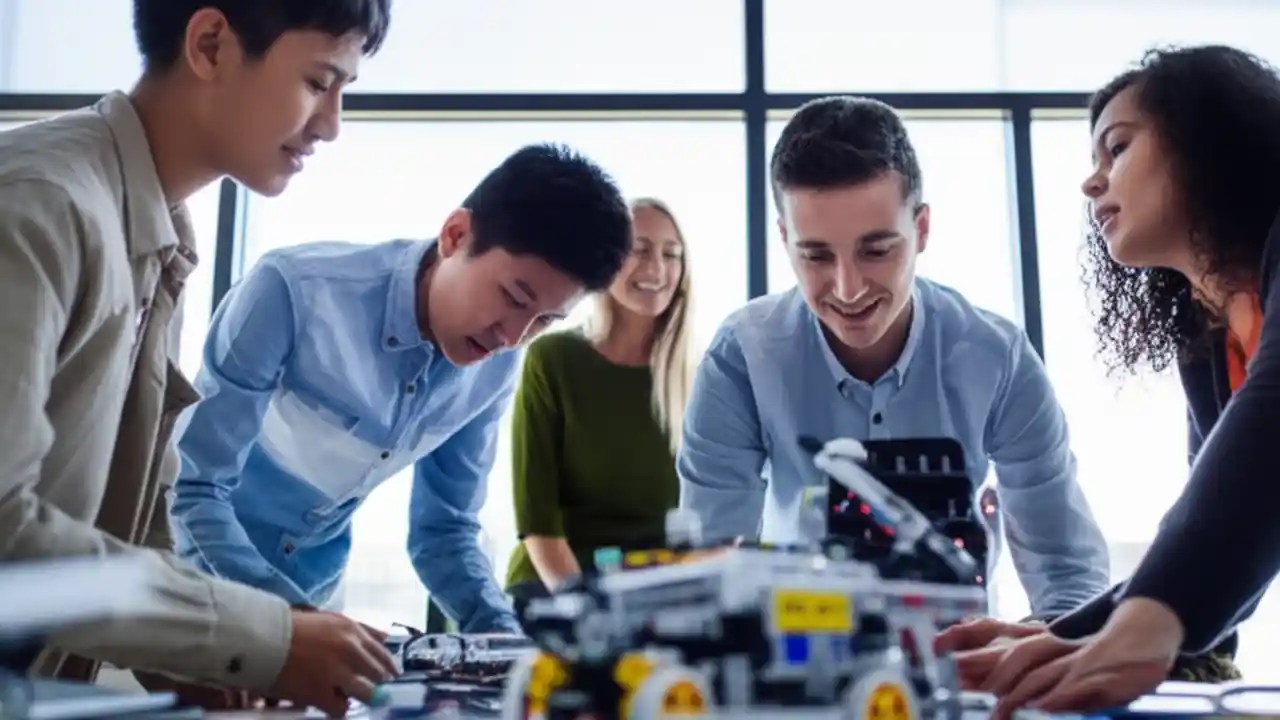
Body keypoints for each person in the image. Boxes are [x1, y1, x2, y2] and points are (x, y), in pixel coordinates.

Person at [0, 0, 399, 714]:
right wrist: (265, 638)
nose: (332, 124)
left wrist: (188, 653)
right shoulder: (41, 208)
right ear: (211, 44)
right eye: (318, 82)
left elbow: (128, 515)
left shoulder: (156, 233)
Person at [936, 44, 1280, 718]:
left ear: (1206, 140)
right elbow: (1237, 528)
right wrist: (1065, 637)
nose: (1092, 183)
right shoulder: (1213, 349)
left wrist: (1152, 618)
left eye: (1116, 149)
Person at [169, 143, 633, 635]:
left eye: (544, 321)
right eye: (514, 298)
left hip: (311, 591)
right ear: (456, 235)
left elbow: (444, 534)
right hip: (188, 579)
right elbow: (195, 489)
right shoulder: (291, 292)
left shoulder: (496, 367)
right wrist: (300, 627)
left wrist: (505, 642)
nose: (512, 337)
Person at [677, 95, 1110, 620]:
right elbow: (709, 564)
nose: (848, 287)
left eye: (877, 250)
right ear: (785, 239)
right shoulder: (741, 358)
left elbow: (1066, 571)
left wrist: (1043, 652)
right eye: (815, 255)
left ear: (922, 230)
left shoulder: (998, 358)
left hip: (961, 664)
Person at [503, 197, 695, 601]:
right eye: (639, 250)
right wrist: (586, 611)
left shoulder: (701, 378)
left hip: (659, 599)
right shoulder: (553, 360)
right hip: (555, 589)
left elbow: (714, 522)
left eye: (671, 254)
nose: (656, 269)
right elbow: (538, 522)